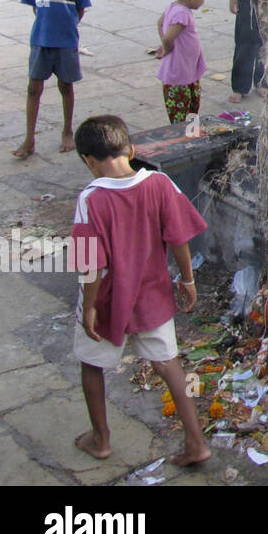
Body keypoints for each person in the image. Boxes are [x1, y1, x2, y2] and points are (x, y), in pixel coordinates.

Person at [70, 115, 210, 466]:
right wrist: (188, 279)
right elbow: (178, 237)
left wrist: (88, 308)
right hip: (153, 294)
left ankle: (100, 439)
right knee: (170, 366)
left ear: (88, 161)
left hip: (105, 300)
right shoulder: (160, 183)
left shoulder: (91, 199)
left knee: (91, 364)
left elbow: (92, 266)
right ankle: (196, 443)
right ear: (131, 150)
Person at [14, 0, 90, 158]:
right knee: (33, 88)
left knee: (66, 86)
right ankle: (29, 138)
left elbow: (80, 9)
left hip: (66, 42)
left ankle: (67, 131)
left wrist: (66, 27)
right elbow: (36, 7)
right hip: (40, 41)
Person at [156, 0, 214, 125]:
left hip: (187, 70)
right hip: (179, 74)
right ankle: (184, 140)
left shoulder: (173, 7)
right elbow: (169, 37)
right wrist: (167, 48)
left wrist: (165, 47)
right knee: (182, 117)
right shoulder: (182, 14)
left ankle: (191, 137)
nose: (203, 3)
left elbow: (160, 23)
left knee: (192, 110)